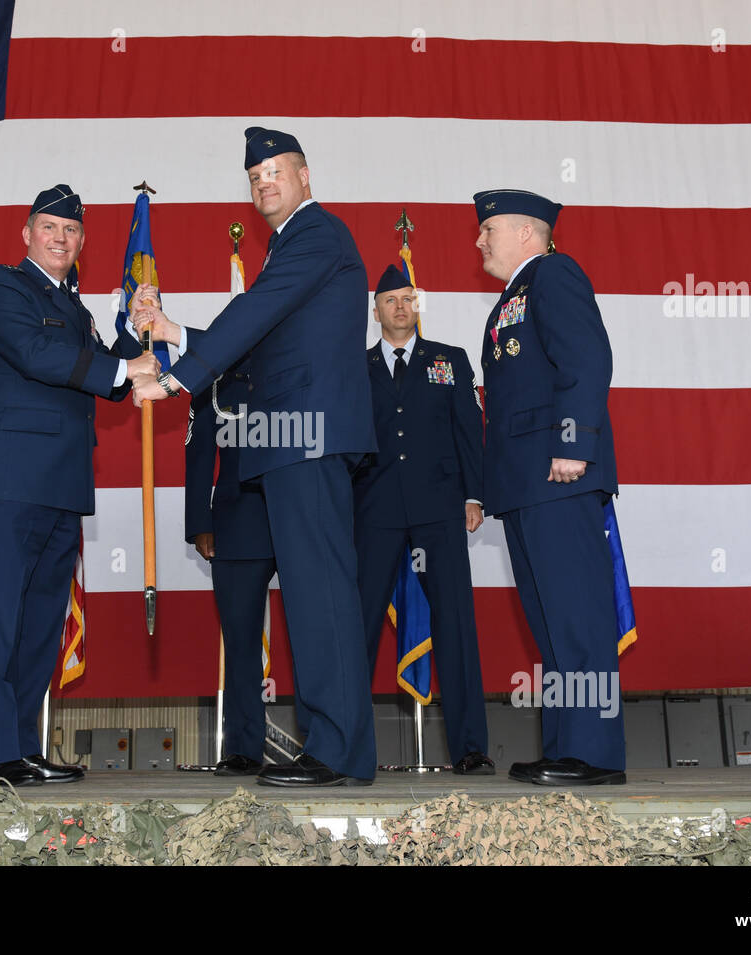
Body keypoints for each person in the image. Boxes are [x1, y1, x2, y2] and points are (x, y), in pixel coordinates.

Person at [131, 127, 378, 786]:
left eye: (276, 170)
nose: (264, 181)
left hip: (309, 435)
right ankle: (337, 747)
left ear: (305, 177)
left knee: (321, 593)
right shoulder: (287, 248)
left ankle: (336, 748)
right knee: (312, 594)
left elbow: (258, 312)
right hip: (289, 440)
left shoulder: (318, 234)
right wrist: (173, 331)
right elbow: (262, 333)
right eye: (254, 175)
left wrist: (178, 377)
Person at [0, 185, 160, 786]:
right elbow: (35, 353)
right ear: (27, 233)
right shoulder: (3, 287)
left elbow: (106, 373)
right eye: (49, 227)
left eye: (71, 231)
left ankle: (21, 747)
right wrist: (121, 368)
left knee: (42, 623)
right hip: (12, 479)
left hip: (64, 485)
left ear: (81, 243)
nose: (59, 238)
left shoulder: (76, 309)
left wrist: (138, 328)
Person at [472, 188, 626, 785]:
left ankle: (595, 754)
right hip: (525, 484)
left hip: (560, 474)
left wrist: (573, 444)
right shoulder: (510, 298)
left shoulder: (555, 275)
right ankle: (568, 747)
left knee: (579, 618)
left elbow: (586, 359)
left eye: (490, 230)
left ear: (526, 234)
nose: (479, 240)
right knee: (552, 625)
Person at [352, 264, 494, 774]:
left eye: (406, 299)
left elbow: (467, 431)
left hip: (438, 509)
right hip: (374, 512)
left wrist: (474, 496)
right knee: (359, 628)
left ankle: (471, 748)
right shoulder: (356, 364)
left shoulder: (448, 361)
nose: (398, 307)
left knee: (455, 624)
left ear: (417, 306)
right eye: (389, 300)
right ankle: (350, 747)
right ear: (376, 312)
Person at [184, 354, 279, 776]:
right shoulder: (215, 384)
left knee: (316, 639)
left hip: (296, 518)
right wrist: (200, 524)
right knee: (241, 645)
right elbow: (200, 453)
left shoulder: (292, 370)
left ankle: (324, 745)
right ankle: (243, 747)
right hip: (237, 522)